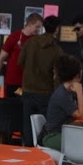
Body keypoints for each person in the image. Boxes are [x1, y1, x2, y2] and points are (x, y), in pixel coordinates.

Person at [18, 14, 61, 144]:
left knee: (27, 126)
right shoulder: (56, 49)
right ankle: (41, 152)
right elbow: (59, 73)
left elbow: (20, 62)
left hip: (28, 90)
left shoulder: (30, 42)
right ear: (57, 30)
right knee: (45, 126)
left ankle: (27, 152)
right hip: (45, 92)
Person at [39, 53, 83, 151]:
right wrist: (80, 92)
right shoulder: (63, 95)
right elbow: (82, 115)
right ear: (78, 75)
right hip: (52, 137)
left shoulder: (65, 91)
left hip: (59, 134)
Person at [0, 11, 41, 97]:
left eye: (40, 27)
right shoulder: (14, 37)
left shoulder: (37, 40)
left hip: (29, 85)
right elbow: (1, 58)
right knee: (12, 107)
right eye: (37, 27)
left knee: (25, 108)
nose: (38, 30)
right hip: (13, 82)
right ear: (29, 24)